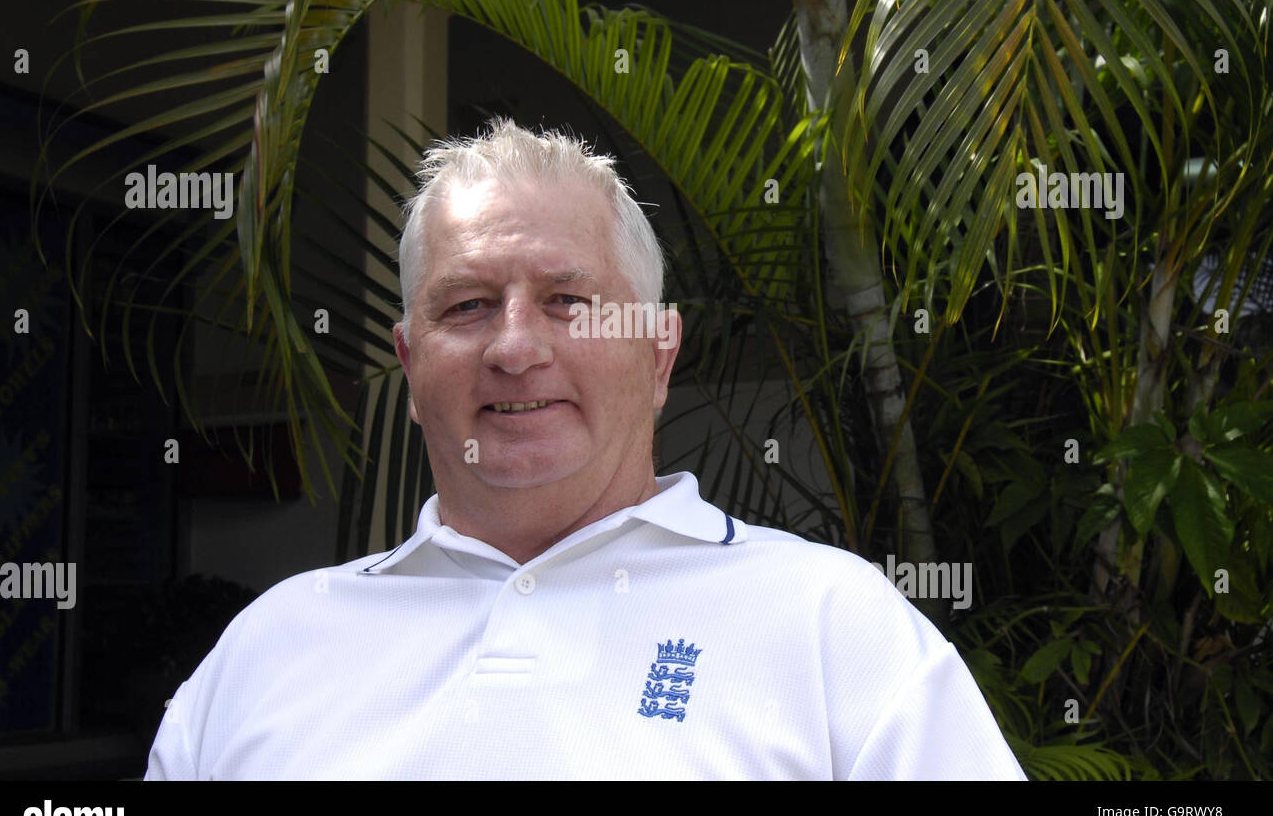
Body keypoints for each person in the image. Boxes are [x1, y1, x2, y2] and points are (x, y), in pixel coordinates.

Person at [145, 118, 1026, 780]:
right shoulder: (266, 652)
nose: (514, 346)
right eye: (467, 305)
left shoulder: (836, 628)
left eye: (569, 301)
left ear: (659, 355)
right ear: (411, 366)